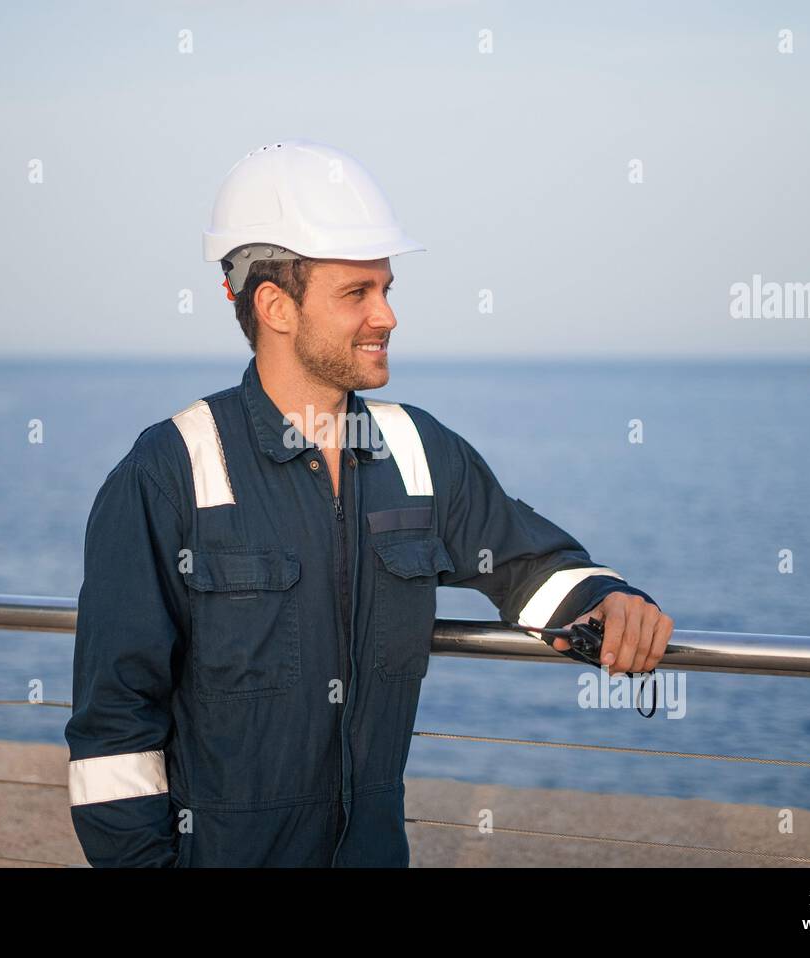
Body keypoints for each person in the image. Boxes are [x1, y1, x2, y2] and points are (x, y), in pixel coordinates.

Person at [65, 139, 674, 867]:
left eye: (385, 289)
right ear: (275, 306)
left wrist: (609, 601)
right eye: (357, 293)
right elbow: (113, 730)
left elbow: (529, 568)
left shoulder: (418, 452)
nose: (387, 317)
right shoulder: (170, 471)